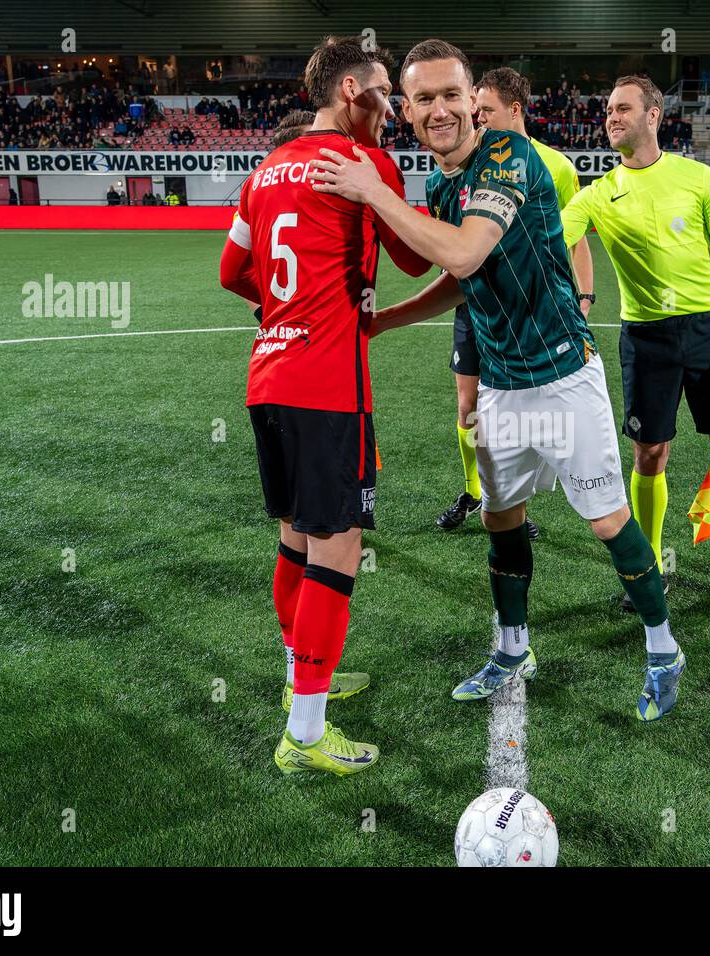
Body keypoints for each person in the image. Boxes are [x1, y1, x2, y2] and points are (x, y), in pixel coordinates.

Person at [313, 39, 685, 721]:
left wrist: (371, 192)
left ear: (472, 104)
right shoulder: (440, 186)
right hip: (503, 387)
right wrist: (384, 322)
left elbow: (464, 248)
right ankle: (512, 649)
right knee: (499, 516)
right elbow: (462, 276)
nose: (440, 110)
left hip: (563, 376)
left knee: (607, 520)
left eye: (452, 95)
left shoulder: (509, 157)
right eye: (423, 99)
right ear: (408, 109)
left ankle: (663, 649)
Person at [218, 37, 430, 775]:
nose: (393, 112)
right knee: (338, 547)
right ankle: (305, 734)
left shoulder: (265, 169)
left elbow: (231, 270)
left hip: (269, 375)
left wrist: (281, 308)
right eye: (383, 94)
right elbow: (415, 257)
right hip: (326, 384)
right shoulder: (361, 163)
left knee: (296, 540)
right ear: (349, 91)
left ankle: (298, 680)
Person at [560, 74, 710, 619]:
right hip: (646, 339)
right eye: (607, 111)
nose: (611, 118)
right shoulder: (595, 195)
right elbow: (550, 233)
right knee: (651, 453)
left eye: (623, 109)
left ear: (653, 114)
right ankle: (647, 570)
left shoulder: (699, 179)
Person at [433, 66, 594, 539]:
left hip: (532, 306)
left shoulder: (553, 164)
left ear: (516, 110)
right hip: (475, 300)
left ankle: (520, 499)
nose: (477, 119)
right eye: (475, 110)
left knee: (537, 408)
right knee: (468, 407)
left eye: (486, 111)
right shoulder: (468, 161)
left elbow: (576, 238)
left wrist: (583, 297)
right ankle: (479, 492)